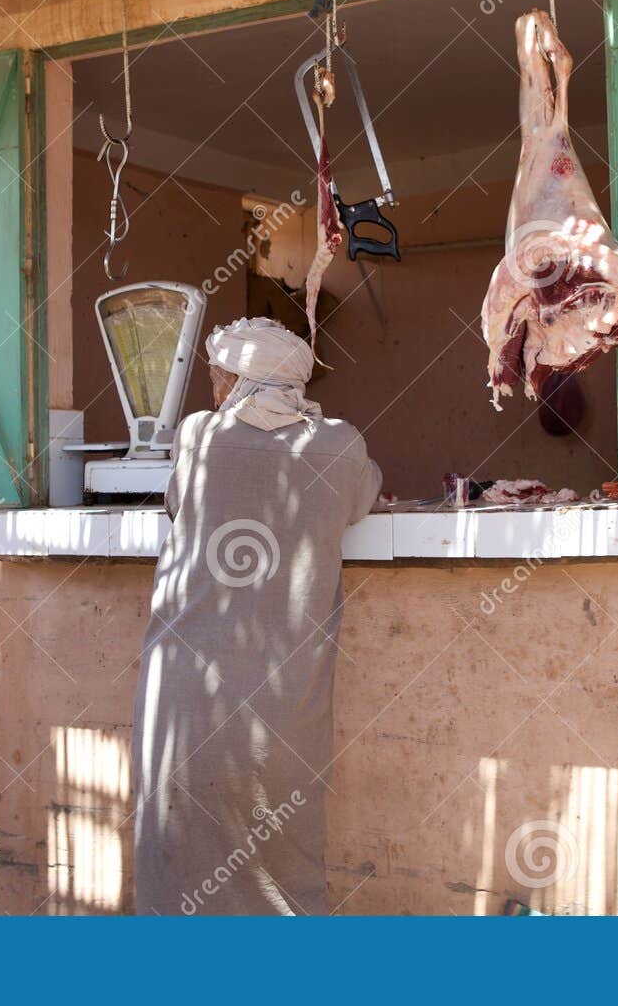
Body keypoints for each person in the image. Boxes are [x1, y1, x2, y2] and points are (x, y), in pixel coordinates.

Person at [132, 318, 381, 915]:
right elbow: (363, 496)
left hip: (183, 690)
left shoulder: (196, 437)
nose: (212, 389)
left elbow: (174, 502)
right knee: (281, 857)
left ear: (243, 381)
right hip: (282, 698)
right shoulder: (339, 444)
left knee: (176, 854)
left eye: (220, 376)